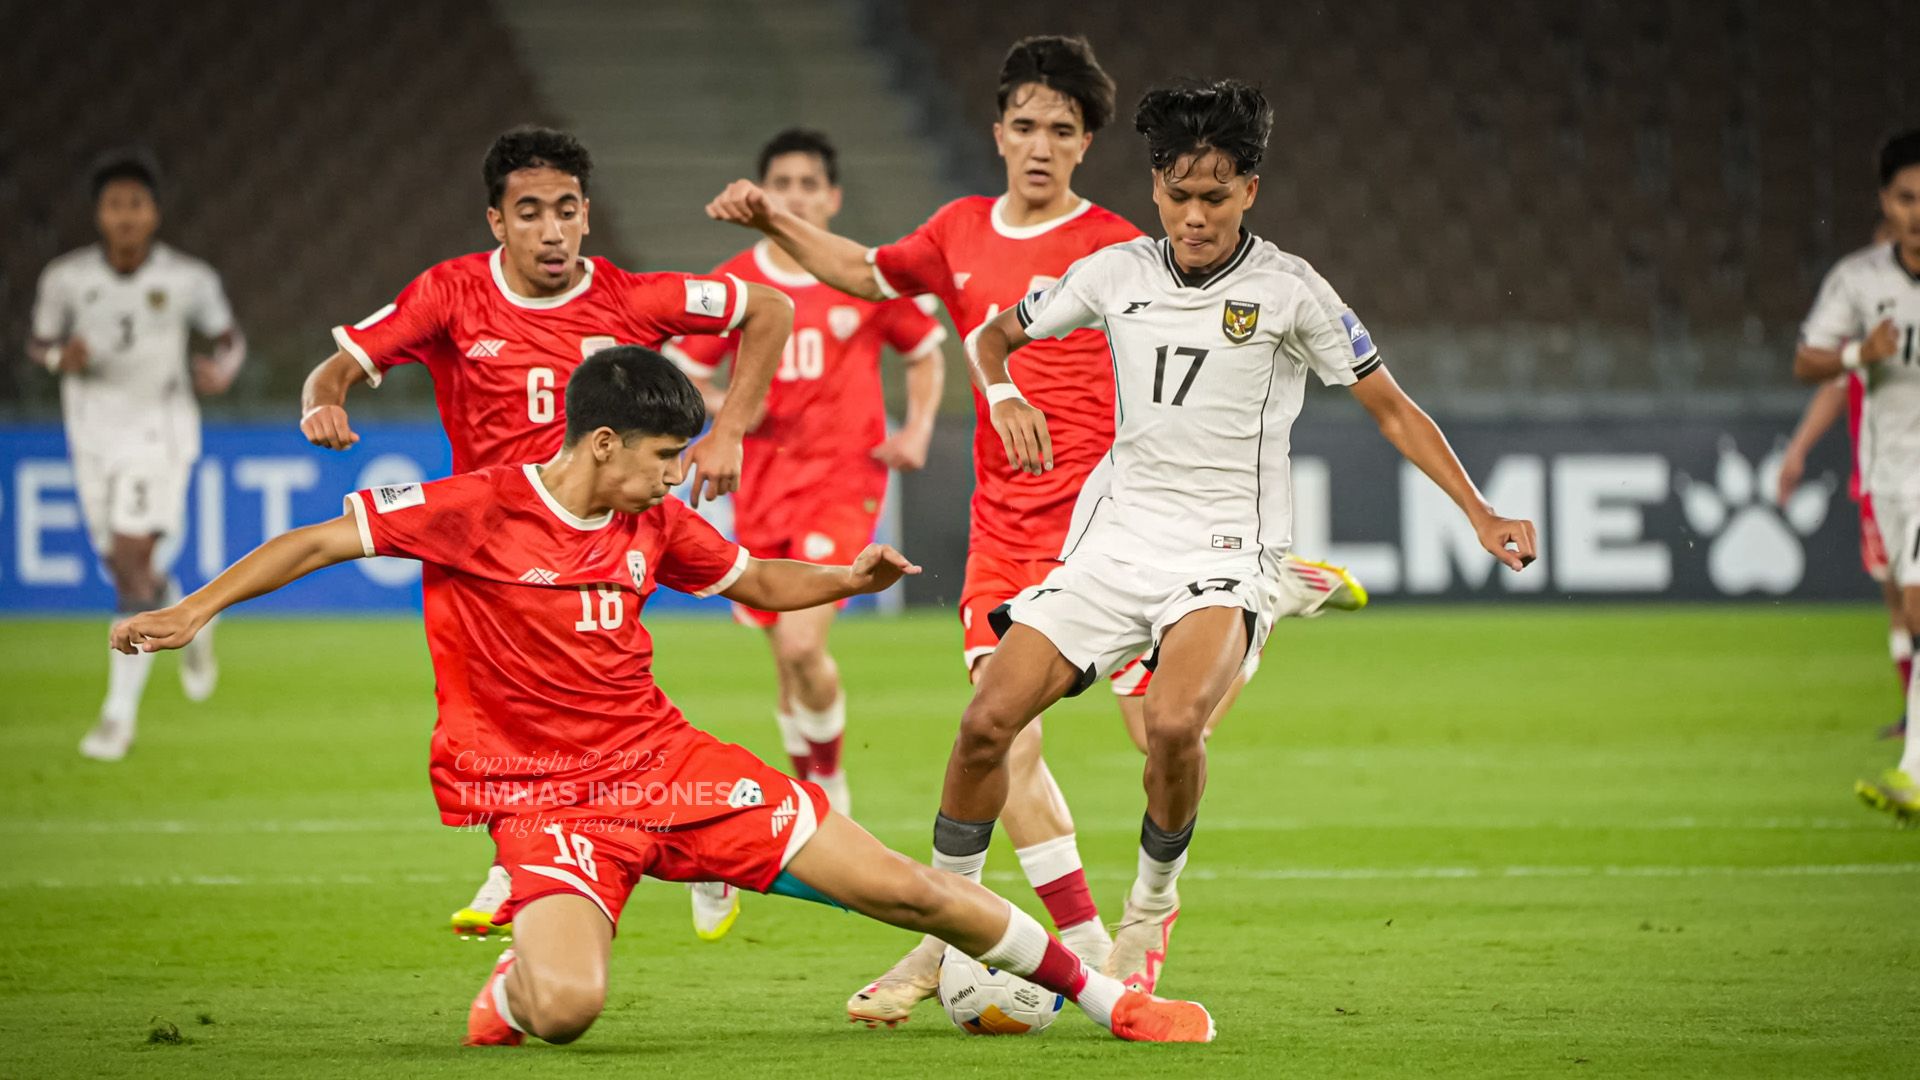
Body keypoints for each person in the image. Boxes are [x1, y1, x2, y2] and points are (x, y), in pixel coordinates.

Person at [111, 347, 1215, 1046]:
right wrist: (196, 609)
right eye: (664, 455)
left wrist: (845, 575)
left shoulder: (654, 522)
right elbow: (318, 539)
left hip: (668, 766)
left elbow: (755, 578)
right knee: (568, 1012)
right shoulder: (475, 506)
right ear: (602, 444)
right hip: (547, 798)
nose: (679, 475)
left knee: (904, 889)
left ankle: (1112, 1002)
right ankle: (513, 989)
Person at [707, 37, 1363, 1018]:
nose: (1041, 145)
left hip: (1119, 529)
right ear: (998, 133)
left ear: (1090, 143)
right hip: (1006, 533)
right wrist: (777, 223)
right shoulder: (958, 231)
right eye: (1025, 126)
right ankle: (1036, 947)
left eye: (1063, 129)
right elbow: (864, 270)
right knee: (1000, 736)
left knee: (1165, 738)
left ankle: (1266, 589)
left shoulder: (1126, 246)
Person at [923, 77, 1535, 1007]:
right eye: (1178, 195)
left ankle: (1147, 910)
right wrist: (1004, 389)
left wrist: (1480, 512)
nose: (1195, 216)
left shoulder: (1290, 292)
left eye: (1215, 196)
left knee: (1170, 725)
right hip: (1115, 540)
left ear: (1251, 189)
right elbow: (988, 339)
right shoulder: (1115, 274)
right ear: (1155, 188)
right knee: (984, 725)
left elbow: (1391, 409)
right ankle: (951, 918)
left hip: (1223, 549)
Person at [297, 126, 795, 938]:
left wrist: (730, 430)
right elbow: (343, 359)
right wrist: (327, 398)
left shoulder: (633, 299)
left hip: (602, 537)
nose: (552, 229)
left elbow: (769, 307)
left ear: (588, 216)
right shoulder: (450, 294)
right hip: (487, 539)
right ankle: (590, 847)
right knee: (482, 700)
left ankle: (558, 855)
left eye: (566, 210)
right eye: (530, 213)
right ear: (497, 221)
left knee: (592, 706)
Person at [28, 147, 246, 762]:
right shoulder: (64, 279)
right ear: (99, 215)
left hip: (160, 432)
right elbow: (39, 341)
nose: (125, 216)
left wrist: (222, 368)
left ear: (153, 214)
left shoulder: (187, 280)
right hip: (92, 435)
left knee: (129, 562)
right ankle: (190, 610)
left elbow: (228, 338)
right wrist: (54, 360)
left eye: (136, 204)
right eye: (114, 205)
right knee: (126, 570)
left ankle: (116, 718)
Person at [1795, 129, 1920, 817]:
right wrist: (1856, 356)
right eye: (1906, 198)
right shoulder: (1861, 283)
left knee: (1918, 605)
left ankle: (1914, 767)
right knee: (1902, 606)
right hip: (1887, 475)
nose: (1917, 213)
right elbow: (1814, 367)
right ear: (1885, 203)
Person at [1779, 220, 1911, 740]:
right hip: (1879, 478)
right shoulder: (1865, 335)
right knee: (1898, 599)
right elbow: (1832, 384)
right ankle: (1913, 712)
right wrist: (1797, 451)